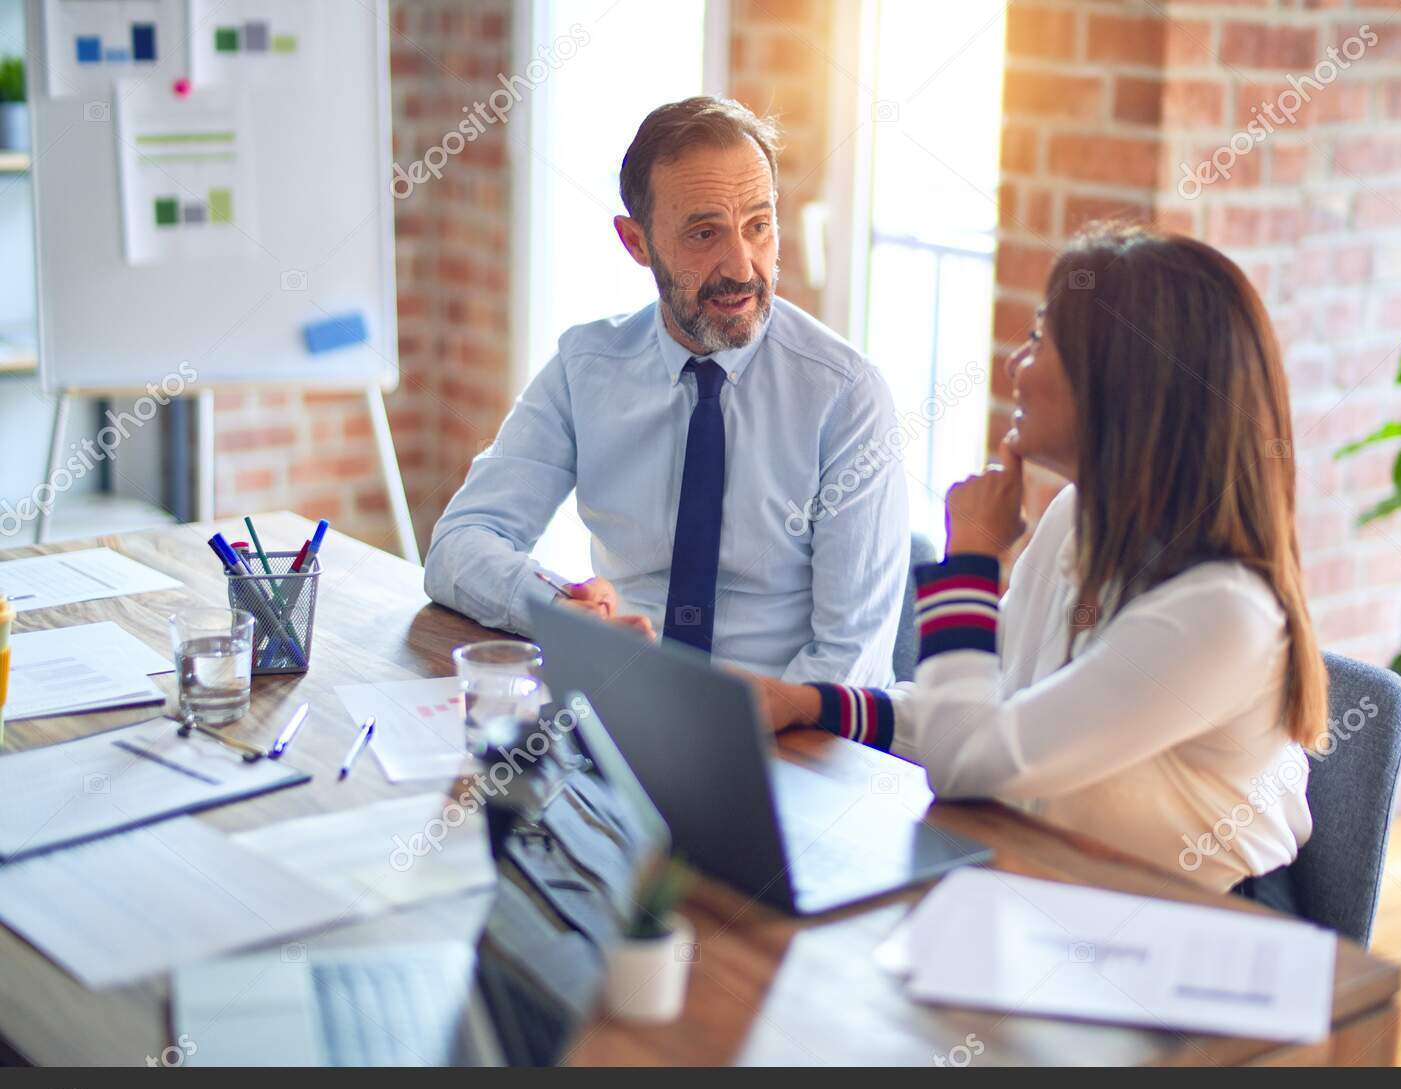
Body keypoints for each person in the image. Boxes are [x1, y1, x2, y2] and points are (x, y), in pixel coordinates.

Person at [752, 226, 1328, 905]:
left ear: (1119, 381)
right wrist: (810, 702)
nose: (1014, 365)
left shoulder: (1222, 611)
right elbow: (975, 720)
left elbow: (967, 760)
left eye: (1040, 340)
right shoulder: (1076, 518)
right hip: (1057, 877)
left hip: (1199, 932)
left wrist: (971, 557)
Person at [425, 96, 909, 684]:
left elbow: (851, 663)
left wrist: (723, 736)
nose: (741, 265)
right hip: (623, 707)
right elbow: (458, 546)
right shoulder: (586, 369)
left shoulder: (846, 396)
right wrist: (559, 610)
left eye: (758, 226)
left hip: (786, 737)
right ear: (636, 243)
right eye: (704, 233)